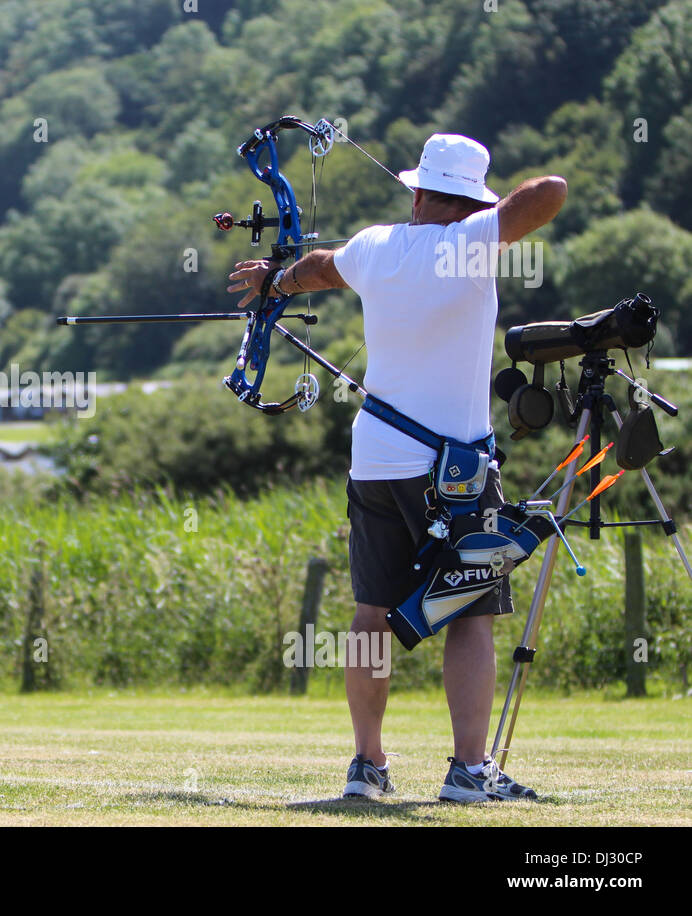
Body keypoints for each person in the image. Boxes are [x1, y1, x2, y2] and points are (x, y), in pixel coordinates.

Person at [227, 133, 567, 802]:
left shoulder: (377, 246)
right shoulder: (469, 241)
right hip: (456, 472)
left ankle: (367, 765)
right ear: (472, 200)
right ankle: (470, 770)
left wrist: (274, 280)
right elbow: (551, 191)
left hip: (377, 460)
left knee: (371, 613)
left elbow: (322, 266)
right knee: (468, 613)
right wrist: (488, 223)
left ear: (417, 193)